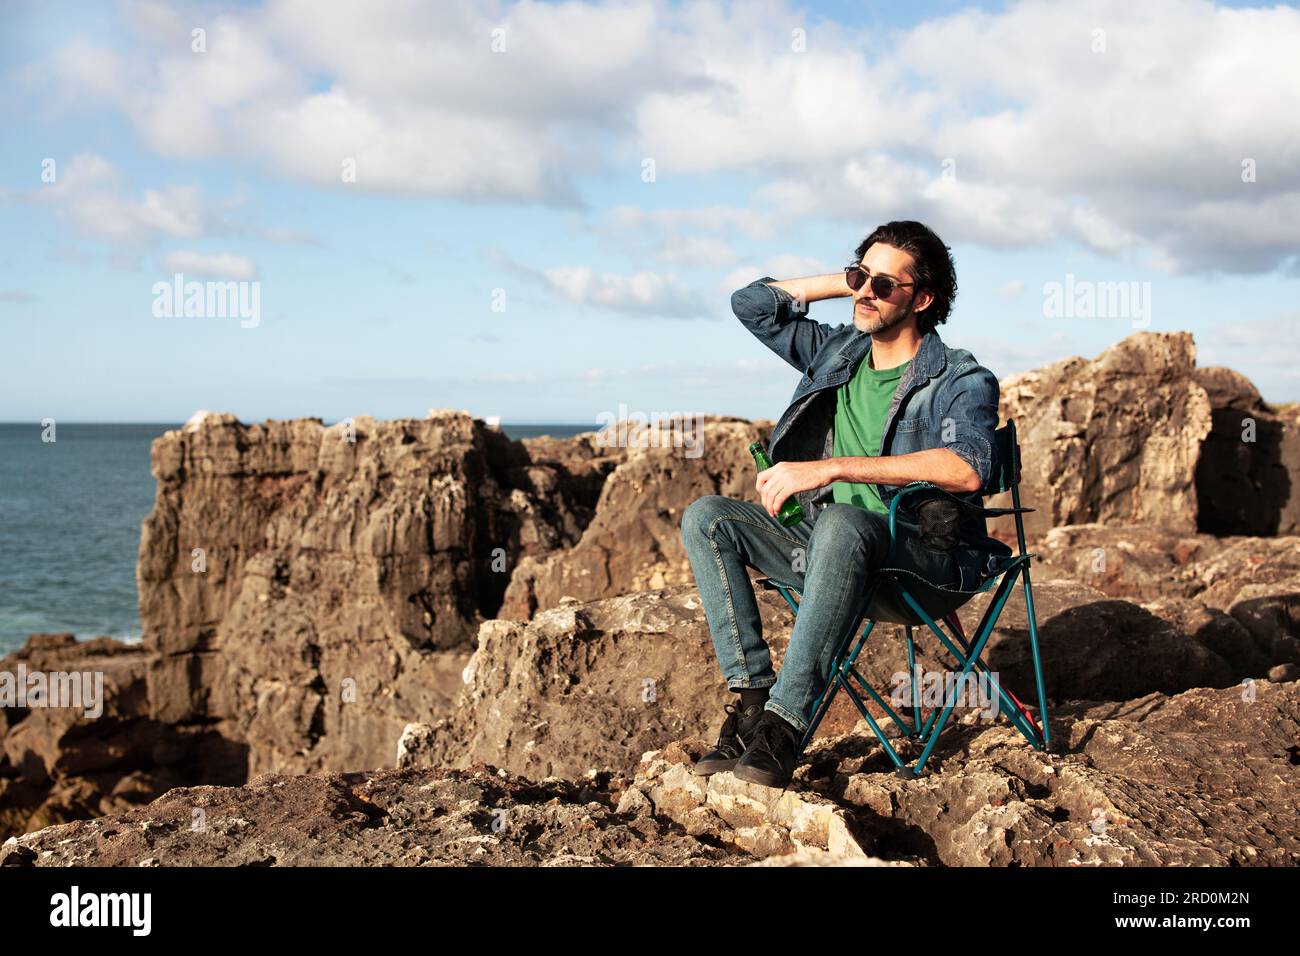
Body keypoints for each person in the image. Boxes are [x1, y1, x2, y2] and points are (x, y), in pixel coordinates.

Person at [680, 220, 1011, 788]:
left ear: (923, 299)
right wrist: (852, 282)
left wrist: (832, 466)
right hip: (826, 555)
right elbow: (752, 304)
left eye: (885, 286)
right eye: (861, 277)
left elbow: (967, 467)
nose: (865, 292)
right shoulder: (838, 351)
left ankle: (785, 728)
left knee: (840, 519)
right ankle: (752, 702)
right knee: (708, 518)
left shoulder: (960, 377)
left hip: (918, 564)